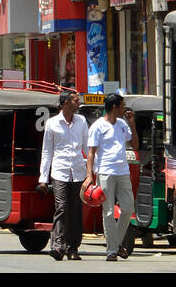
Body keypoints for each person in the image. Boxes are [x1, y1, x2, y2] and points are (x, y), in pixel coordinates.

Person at [85, 92, 137, 261]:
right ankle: (112, 250)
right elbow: (91, 153)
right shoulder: (98, 126)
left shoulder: (122, 124)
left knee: (128, 208)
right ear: (115, 107)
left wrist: (132, 124)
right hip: (105, 171)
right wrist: (89, 176)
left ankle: (116, 243)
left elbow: (135, 144)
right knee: (107, 211)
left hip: (123, 171)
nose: (124, 108)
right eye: (122, 105)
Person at [38, 90, 88, 261]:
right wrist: (43, 178)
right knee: (61, 207)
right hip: (59, 171)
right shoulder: (52, 123)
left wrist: (91, 173)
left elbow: (88, 148)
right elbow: (47, 152)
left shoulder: (81, 121)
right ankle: (58, 246)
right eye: (75, 100)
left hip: (79, 171)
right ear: (65, 103)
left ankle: (73, 247)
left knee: (76, 210)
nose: (78, 102)